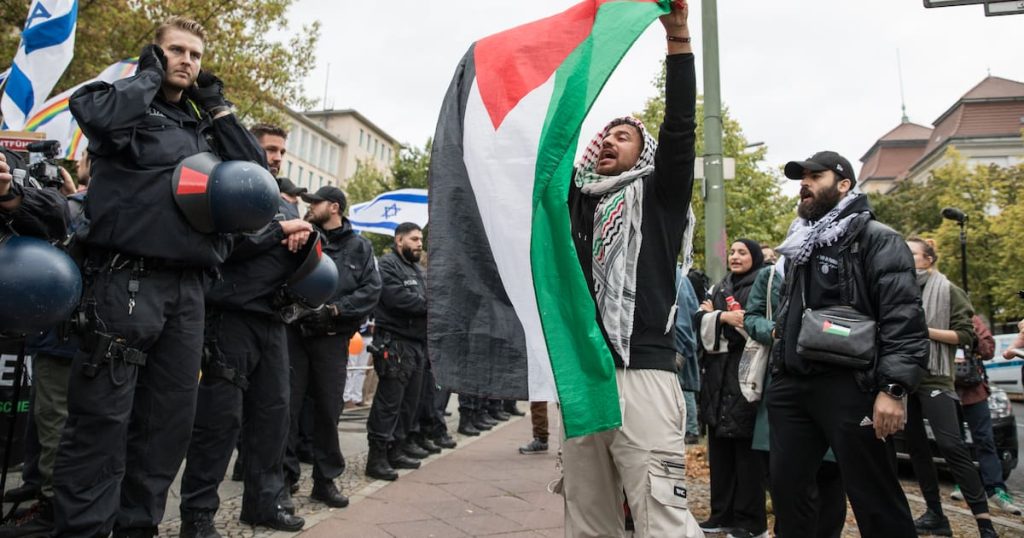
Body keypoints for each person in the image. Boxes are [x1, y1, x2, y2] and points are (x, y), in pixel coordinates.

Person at [53, 16, 268, 537]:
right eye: (176, 50)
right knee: (102, 422)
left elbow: (258, 182)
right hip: (126, 281)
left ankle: (138, 529)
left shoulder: (202, 124)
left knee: (166, 427)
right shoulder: (125, 104)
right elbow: (93, 114)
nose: (187, 61)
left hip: (189, 290)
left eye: (195, 54)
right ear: (156, 53)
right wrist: (146, 76)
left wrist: (219, 108)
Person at [560, 4, 702, 536]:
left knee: (659, 512)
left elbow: (681, 126)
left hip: (641, 371)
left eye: (624, 136)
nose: (608, 141)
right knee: (586, 512)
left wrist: (679, 40)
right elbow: (546, 158)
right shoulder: (573, 201)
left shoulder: (659, 194)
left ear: (645, 154)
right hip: (582, 376)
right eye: (605, 136)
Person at [768, 150, 929, 537]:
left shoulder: (877, 239)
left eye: (815, 176)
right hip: (793, 385)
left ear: (844, 185)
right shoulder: (799, 244)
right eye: (801, 178)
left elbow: (903, 319)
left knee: (874, 497)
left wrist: (893, 389)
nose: (804, 183)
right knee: (788, 495)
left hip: (851, 386)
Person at [177, 127, 315, 534]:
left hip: (274, 323)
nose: (276, 157)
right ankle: (198, 516)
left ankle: (263, 503)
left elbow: (300, 248)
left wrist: (306, 235)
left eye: (281, 151)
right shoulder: (226, 189)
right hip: (230, 321)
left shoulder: (283, 204)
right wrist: (278, 233)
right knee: (218, 425)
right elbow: (223, 247)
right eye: (269, 149)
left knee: (273, 420)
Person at [284, 186, 381, 501]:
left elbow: (371, 290)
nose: (310, 206)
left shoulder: (360, 247)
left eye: (316, 202)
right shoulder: (304, 236)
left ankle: (325, 481)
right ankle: (283, 480)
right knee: (287, 408)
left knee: (328, 411)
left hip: (332, 339)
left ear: (334, 207)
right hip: (295, 336)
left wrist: (336, 310)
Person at [745, 259, 847, 538]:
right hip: (783, 379)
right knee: (785, 477)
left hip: (833, 379)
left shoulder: (844, 267)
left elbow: (851, 324)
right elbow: (752, 317)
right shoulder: (769, 275)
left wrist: (825, 331)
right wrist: (777, 331)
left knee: (830, 477)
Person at [902, 238, 997, 537]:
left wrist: (924, 331)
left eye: (912, 253)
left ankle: (984, 523)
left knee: (951, 446)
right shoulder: (899, 289)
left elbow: (966, 336)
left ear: (928, 259)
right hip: (905, 377)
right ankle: (935, 515)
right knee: (916, 449)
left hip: (935, 375)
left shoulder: (948, 290)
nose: (905, 257)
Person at [694, 239, 768, 538]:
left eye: (743, 253)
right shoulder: (720, 285)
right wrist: (722, 316)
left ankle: (750, 521)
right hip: (717, 376)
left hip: (746, 374)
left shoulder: (760, 285)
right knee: (720, 451)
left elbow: (752, 324)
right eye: (733, 252)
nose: (736, 257)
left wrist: (717, 314)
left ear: (755, 258)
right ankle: (720, 513)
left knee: (747, 454)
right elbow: (700, 317)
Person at [364, 222, 431, 481]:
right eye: (414, 239)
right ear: (399, 239)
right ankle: (377, 457)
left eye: (420, 240)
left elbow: (423, 299)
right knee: (388, 403)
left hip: (415, 344)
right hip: (395, 343)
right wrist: (428, 305)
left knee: (408, 403)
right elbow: (397, 298)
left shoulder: (416, 268)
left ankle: (396, 449)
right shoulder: (388, 264)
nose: (419, 243)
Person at [950, 315, 1023, 516]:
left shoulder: (972, 320)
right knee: (956, 442)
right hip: (948, 389)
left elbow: (989, 351)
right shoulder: (935, 317)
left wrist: (971, 335)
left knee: (985, 439)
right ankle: (964, 485)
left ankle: (995, 489)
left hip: (975, 391)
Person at [674, 265, 701, 444]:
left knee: (683, 389)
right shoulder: (680, 275)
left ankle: (690, 429)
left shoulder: (677, 276)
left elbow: (684, 316)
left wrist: (680, 349)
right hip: (681, 343)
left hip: (677, 346)